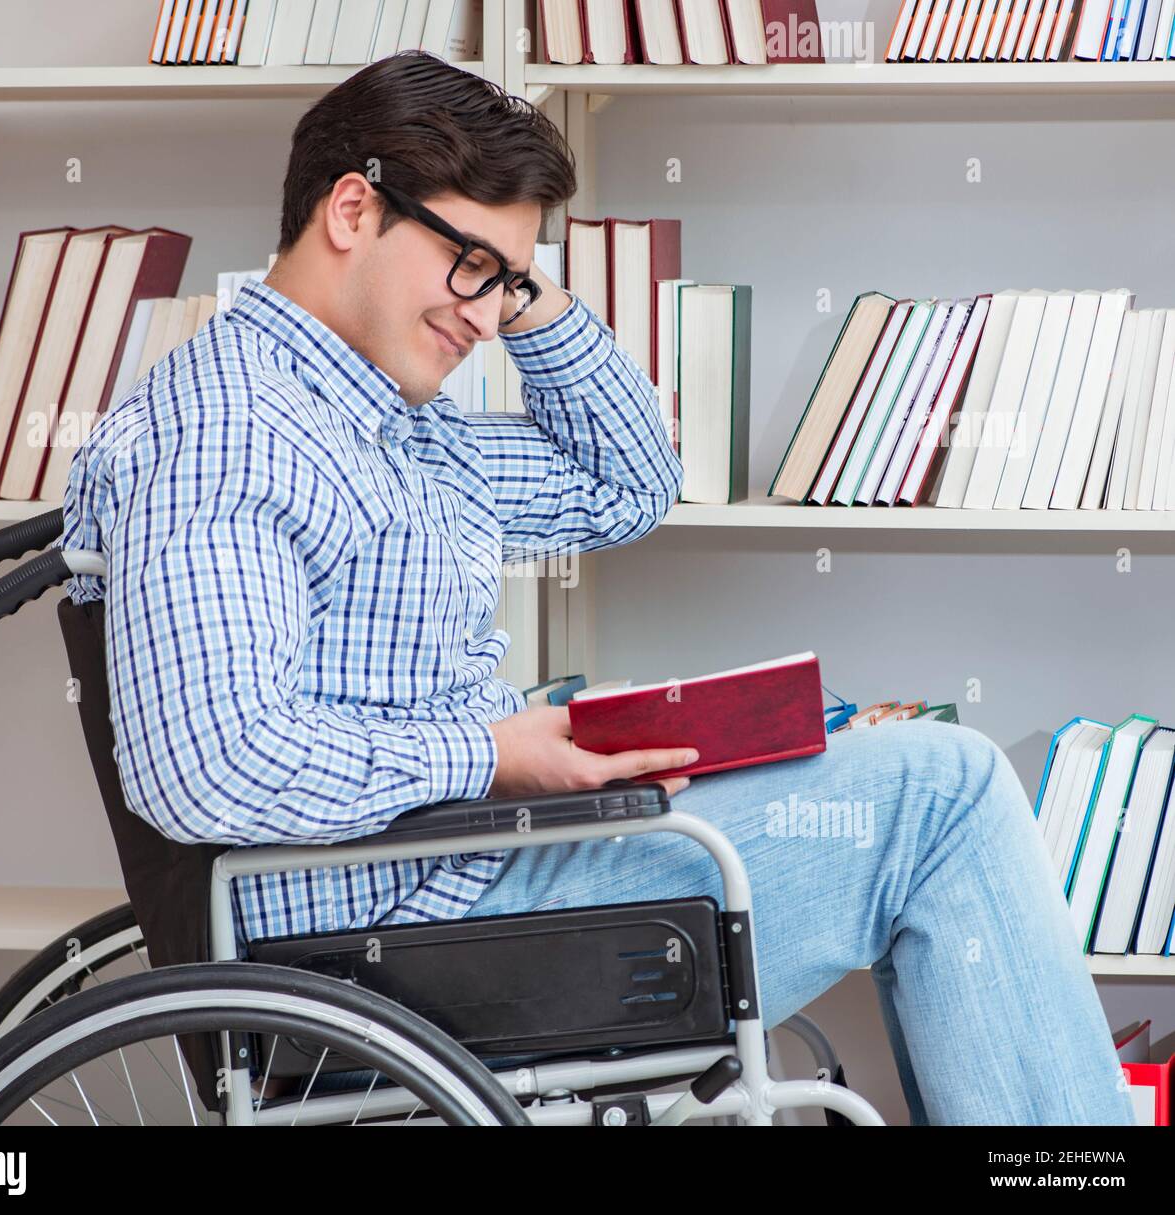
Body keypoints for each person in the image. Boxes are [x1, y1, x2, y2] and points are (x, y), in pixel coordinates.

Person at [62, 51, 1135, 1126]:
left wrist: (532, 298)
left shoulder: (391, 418)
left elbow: (627, 485)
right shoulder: (228, 433)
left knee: (889, 766)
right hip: (405, 937)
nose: (485, 316)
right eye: (471, 265)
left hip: (469, 879)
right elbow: (206, 765)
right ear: (353, 208)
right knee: (941, 797)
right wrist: (495, 754)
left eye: (508, 281)